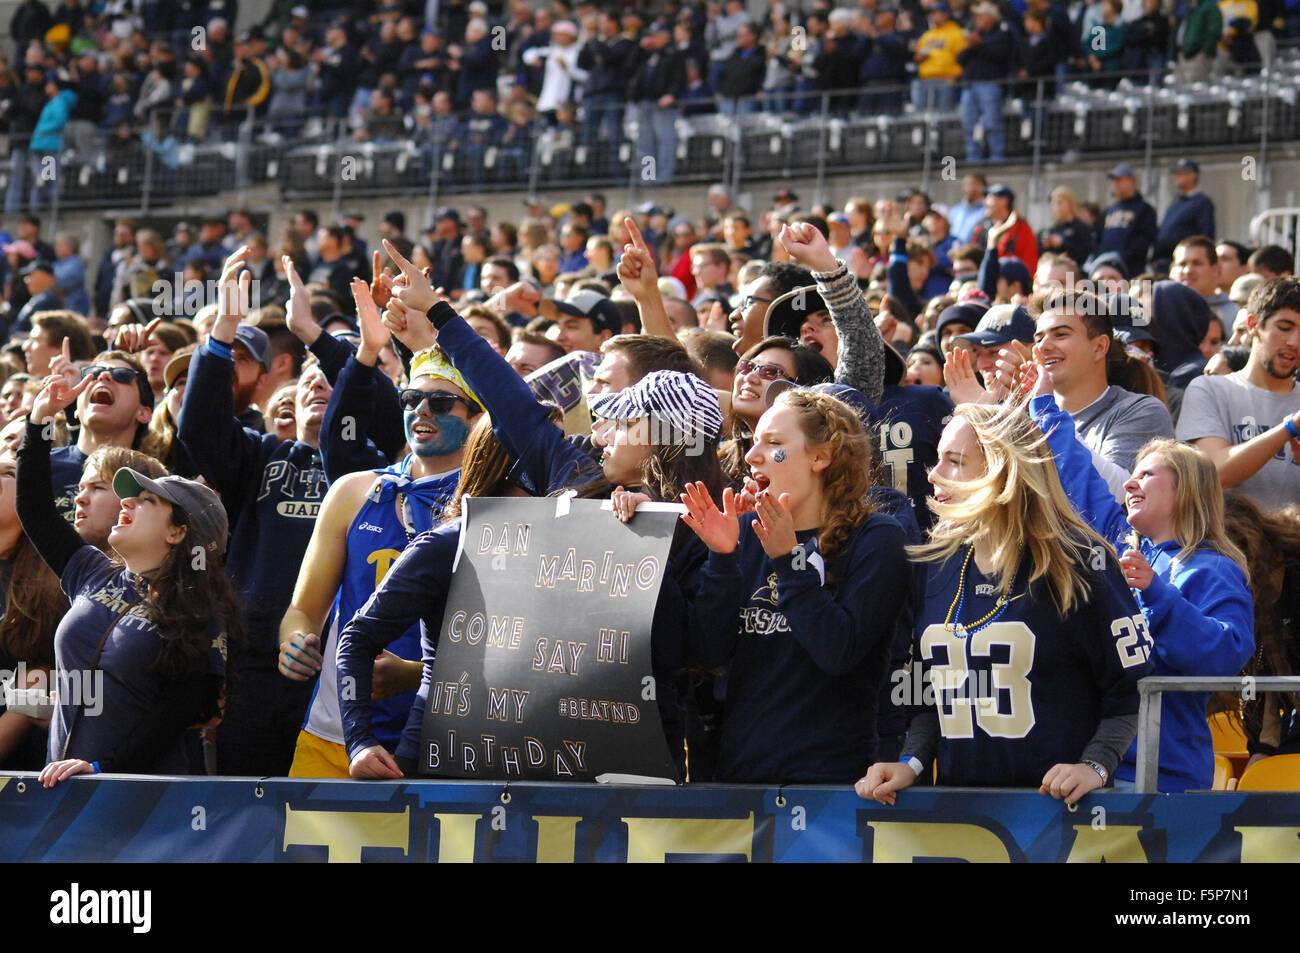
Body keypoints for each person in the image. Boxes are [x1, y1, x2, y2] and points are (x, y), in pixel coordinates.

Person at [857, 402, 1147, 806]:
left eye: (954, 461)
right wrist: (912, 761)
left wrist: (1095, 765)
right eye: (938, 458)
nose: (934, 474)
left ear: (1004, 471)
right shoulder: (933, 562)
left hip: (1059, 816)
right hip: (961, 816)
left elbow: (1135, 687)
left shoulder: (1079, 562)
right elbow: (930, 693)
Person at [277, 280, 483, 777]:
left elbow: (506, 642)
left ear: (478, 418)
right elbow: (304, 609)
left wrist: (414, 675)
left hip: (437, 740)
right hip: (333, 734)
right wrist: (295, 642)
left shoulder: (490, 503)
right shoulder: (353, 490)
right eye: (413, 398)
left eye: (441, 402)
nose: (421, 411)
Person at [1028, 365, 1254, 792]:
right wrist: (1044, 405)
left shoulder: (1214, 568)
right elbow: (1078, 478)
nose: (1129, 482)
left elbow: (1226, 656)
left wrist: (1158, 593)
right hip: (1094, 764)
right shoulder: (1120, 546)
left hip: (1161, 776)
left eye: (1147, 474)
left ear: (1184, 491)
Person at [678, 388, 911, 783]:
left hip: (831, 786)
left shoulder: (876, 538)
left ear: (821, 456)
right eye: (754, 443)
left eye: (774, 443)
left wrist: (787, 560)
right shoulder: (749, 534)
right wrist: (722, 556)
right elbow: (708, 653)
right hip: (742, 778)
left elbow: (838, 652)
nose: (752, 457)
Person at [19, 373, 237, 786]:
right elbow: (36, 510)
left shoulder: (200, 609)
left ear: (178, 533)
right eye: (128, 497)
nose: (127, 505)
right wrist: (40, 422)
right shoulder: (92, 572)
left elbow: (175, 715)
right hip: (63, 791)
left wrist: (103, 770)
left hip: (139, 805)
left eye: (146, 501)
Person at [1177, 277, 1300, 510]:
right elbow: (1215, 472)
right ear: (1253, 325)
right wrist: (1289, 429)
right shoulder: (1209, 389)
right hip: (1227, 544)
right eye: (1284, 328)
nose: (1294, 342)